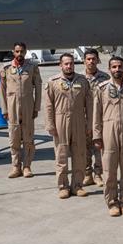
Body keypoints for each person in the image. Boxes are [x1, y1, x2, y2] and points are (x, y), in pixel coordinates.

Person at [94, 57, 123, 216]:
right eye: (114, 67)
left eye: (120, 66)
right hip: (109, 132)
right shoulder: (101, 89)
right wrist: (97, 135)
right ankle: (112, 203)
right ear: (109, 69)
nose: (117, 69)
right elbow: (97, 114)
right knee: (109, 170)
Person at [45, 53, 92, 199]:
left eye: (71, 63)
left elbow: (89, 105)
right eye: (66, 64)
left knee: (79, 155)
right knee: (62, 155)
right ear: (60, 65)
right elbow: (48, 105)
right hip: (61, 121)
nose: (69, 66)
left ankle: (77, 185)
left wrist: (90, 124)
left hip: (79, 121)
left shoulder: (83, 81)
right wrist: (50, 124)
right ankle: (63, 186)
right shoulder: (53, 82)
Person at [1, 42, 43, 178]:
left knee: (28, 139)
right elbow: (2, 90)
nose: (19, 54)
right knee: (14, 139)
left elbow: (38, 88)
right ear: (13, 52)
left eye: (22, 52)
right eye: (17, 51)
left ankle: (27, 166)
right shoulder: (6, 68)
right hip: (12, 108)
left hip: (27, 107)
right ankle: (15, 167)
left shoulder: (32, 68)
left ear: (26, 52)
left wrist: (36, 107)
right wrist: (4, 110)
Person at [81, 48, 109, 184]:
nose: (91, 61)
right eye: (88, 59)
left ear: (98, 60)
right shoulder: (79, 78)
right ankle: (87, 174)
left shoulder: (105, 78)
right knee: (84, 148)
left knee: (99, 147)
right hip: (84, 118)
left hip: (100, 118)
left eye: (93, 59)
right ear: (84, 61)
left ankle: (98, 174)